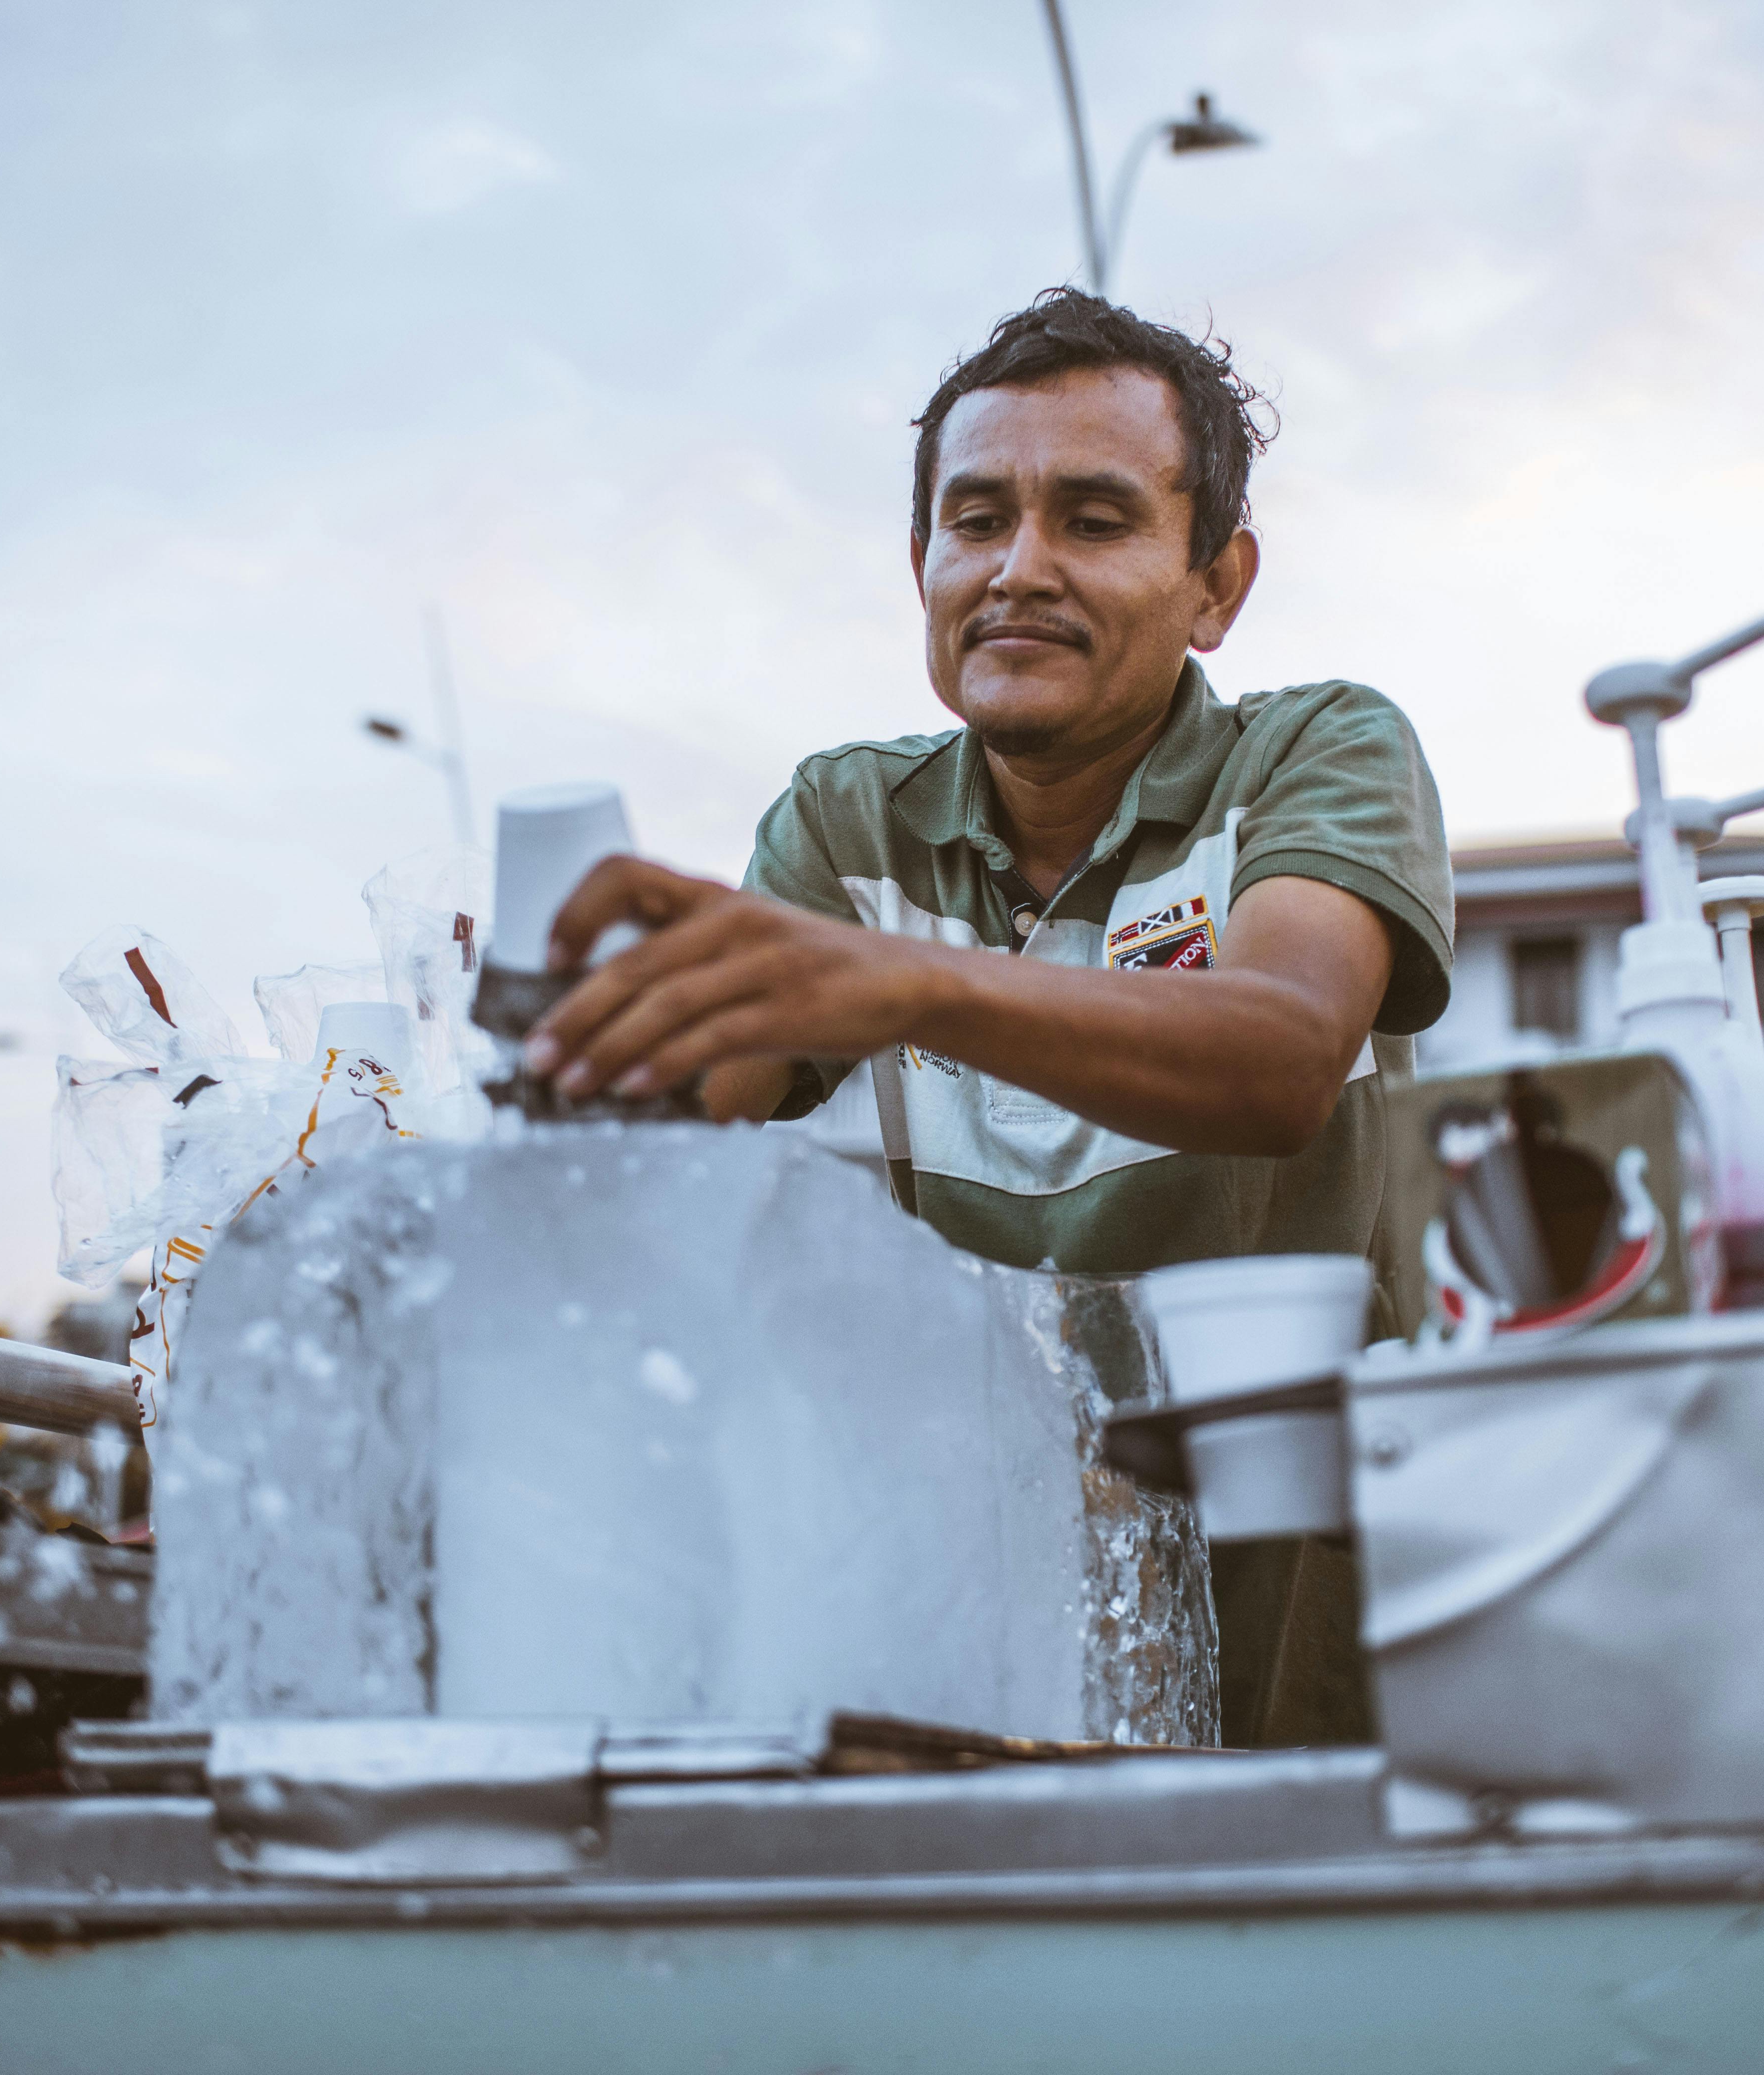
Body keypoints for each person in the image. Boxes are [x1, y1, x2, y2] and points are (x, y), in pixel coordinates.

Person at [523, 288, 1454, 1745]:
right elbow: (667, 1146)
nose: (1019, 570)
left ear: (1217, 585)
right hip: (978, 1603)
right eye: (977, 521)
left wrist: (912, 984)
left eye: (1093, 520)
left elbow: (1279, 1054)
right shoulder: (847, 818)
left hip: (1305, 1600)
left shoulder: (1316, 754)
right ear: (922, 565)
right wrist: (566, 1038)